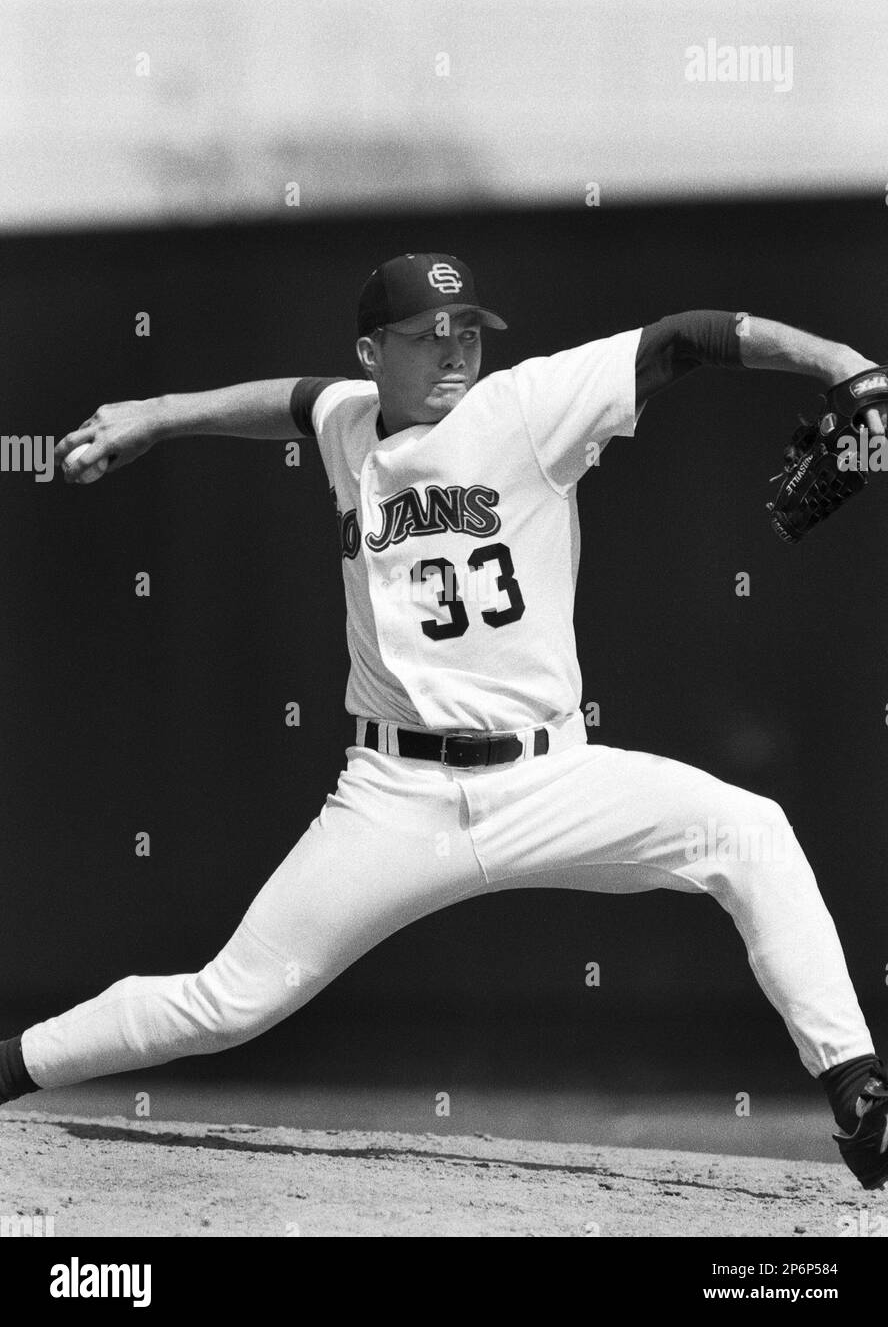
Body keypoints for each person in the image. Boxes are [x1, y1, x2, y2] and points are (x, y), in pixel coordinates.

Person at [3, 251, 886, 1191]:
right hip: (395, 795)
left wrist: (845, 365)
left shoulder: (529, 407)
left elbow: (693, 338)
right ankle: (10, 1064)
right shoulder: (351, 419)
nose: (454, 352)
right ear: (372, 354)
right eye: (428, 338)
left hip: (549, 779)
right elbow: (293, 401)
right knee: (228, 1004)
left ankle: (862, 1098)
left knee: (748, 831)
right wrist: (156, 415)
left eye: (466, 330)